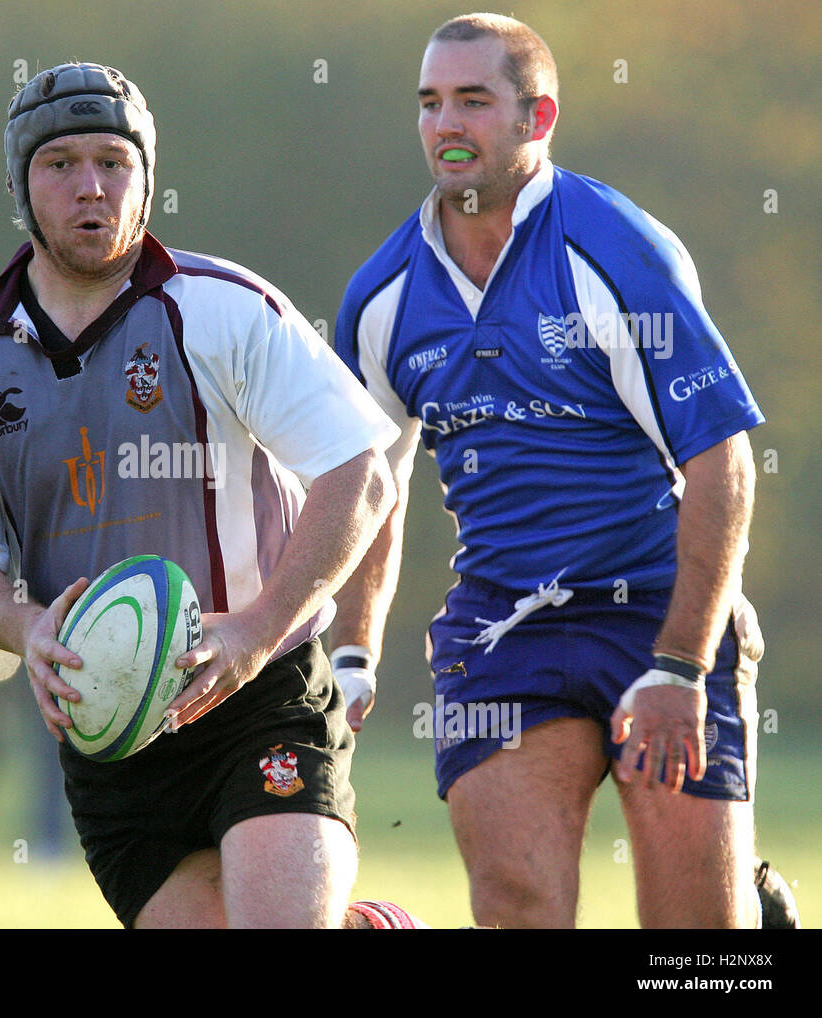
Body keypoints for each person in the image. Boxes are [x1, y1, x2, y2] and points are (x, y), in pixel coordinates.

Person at [0, 61, 425, 929]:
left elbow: (360, 472)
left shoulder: (223, 309)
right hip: (106, 723)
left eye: (114, 161)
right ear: (18, 184)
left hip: (259, 695)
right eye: (60, 163)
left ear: (148, 180)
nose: (90, 188)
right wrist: (29, 630)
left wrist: (258, 632)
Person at [333, 13, 797, 929]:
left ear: (537, 117)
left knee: (699, 950)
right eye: (430, 103)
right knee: (517, 904)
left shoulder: (617, 250)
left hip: (657, 613)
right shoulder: (381, 294)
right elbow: (366, 486)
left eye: (474, 100)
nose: (445, 124)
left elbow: (720, 457)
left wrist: (681, 664)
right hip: (507, 626)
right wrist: (351, 651)